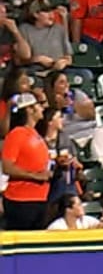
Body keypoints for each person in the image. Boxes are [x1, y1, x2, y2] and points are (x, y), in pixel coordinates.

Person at [1, 94, 50, 229]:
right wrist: (34, 176)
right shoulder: (16, 134)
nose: (42, 108)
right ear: (29, 109)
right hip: (21, 201)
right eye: (38, 105)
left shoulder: (35, 134)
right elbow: (7, 167)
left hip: (39, 198)